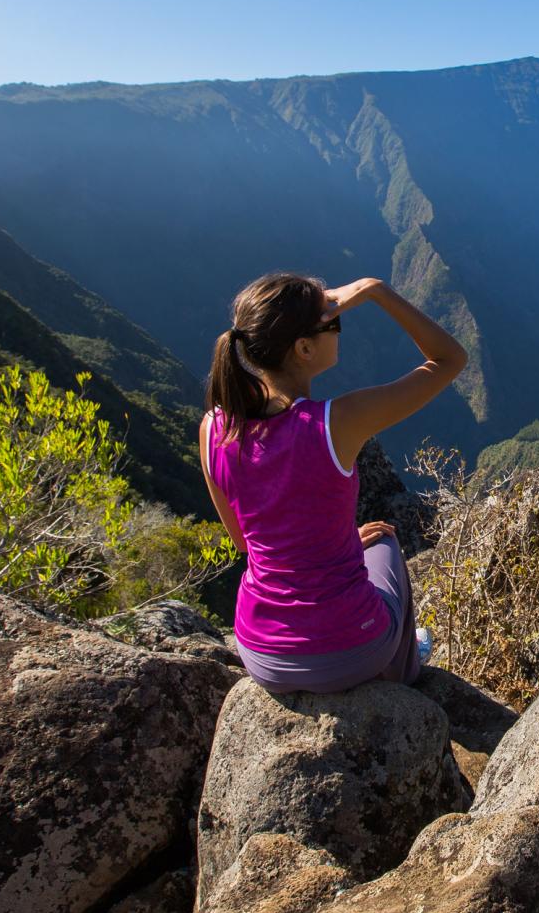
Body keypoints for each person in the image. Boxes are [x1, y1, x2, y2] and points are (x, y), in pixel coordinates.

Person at [199, 272, 466, 693]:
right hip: (351, 650)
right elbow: (450, 359)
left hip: (261, 654)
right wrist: (376, 291)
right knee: (385, 542)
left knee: (365, 539)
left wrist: (336, 545)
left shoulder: (215, 427)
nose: (340, 330)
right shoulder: (335, 422)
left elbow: (247, 544)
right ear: (304, 348)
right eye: (333, 323)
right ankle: (406, 668)